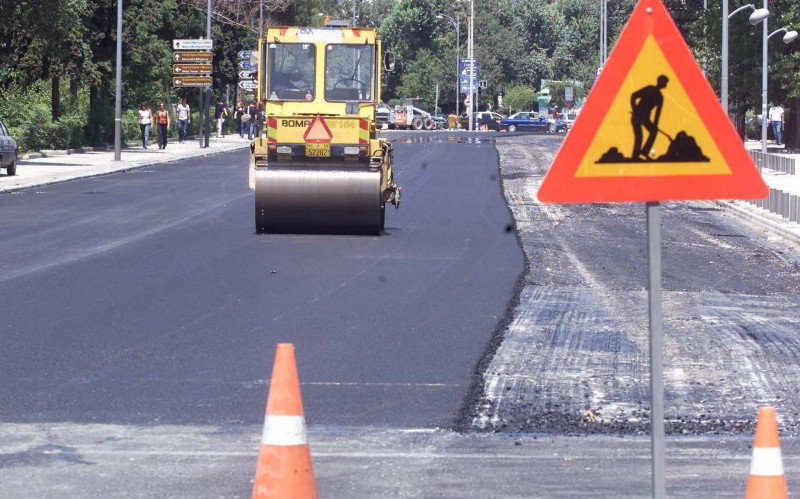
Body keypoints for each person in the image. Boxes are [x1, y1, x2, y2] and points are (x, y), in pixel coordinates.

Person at [630, 74, 668, 161]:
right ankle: (635, 157)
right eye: (665, 83)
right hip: (636, 116)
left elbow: (657, 114)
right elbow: (633, 96)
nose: (666, 85)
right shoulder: (649, 89)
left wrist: (655, 125)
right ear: (661, 82)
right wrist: (634, 108)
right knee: (639, 136)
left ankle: (643, 153)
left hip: (645, 118)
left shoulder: (660, 97)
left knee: (653, 132)